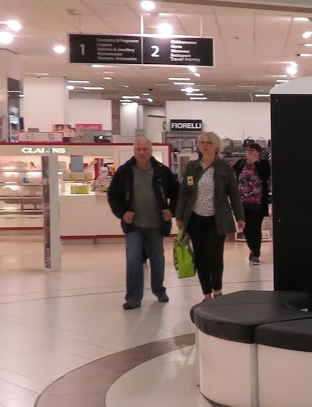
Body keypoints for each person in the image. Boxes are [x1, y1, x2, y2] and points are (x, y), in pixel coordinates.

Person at [107, 135, 178, 309]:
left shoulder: (162, 171)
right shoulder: (124, 171)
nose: (142, 152)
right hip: (133, 226)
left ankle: (159, 290)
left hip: (156, 224)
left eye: (145, 149)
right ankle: (133, 297)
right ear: (134, 151)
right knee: (133, 260)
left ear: (151, 151)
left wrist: (172, 210)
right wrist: (122, 213)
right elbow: (113, 195)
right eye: (138, 150)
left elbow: (177, 192)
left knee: (157, 260)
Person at [179, 131, 243, 299]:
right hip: (195, 218)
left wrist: (240, 217)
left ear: (216, 146)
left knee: (215, 255)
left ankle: (217, 290)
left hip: (217, 218)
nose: (205, 145)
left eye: (208, 142)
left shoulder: (224, 167)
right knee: (200, 257)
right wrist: (179, 216)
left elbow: (233, 193)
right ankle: (206, 293)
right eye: (202, 142)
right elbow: (184, 193)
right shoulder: (192, 166)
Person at [235, 141, 272, 264]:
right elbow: (233, 175)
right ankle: (252, 249)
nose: (249, 152)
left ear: (258, 152)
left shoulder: (263, 164)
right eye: (247, 150)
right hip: (242, 202)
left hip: (257, 202)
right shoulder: (240, 163)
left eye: (252, 150)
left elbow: (266, 175)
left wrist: (255, 162)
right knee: (245, 227)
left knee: (255, 227)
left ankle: (256, 253)